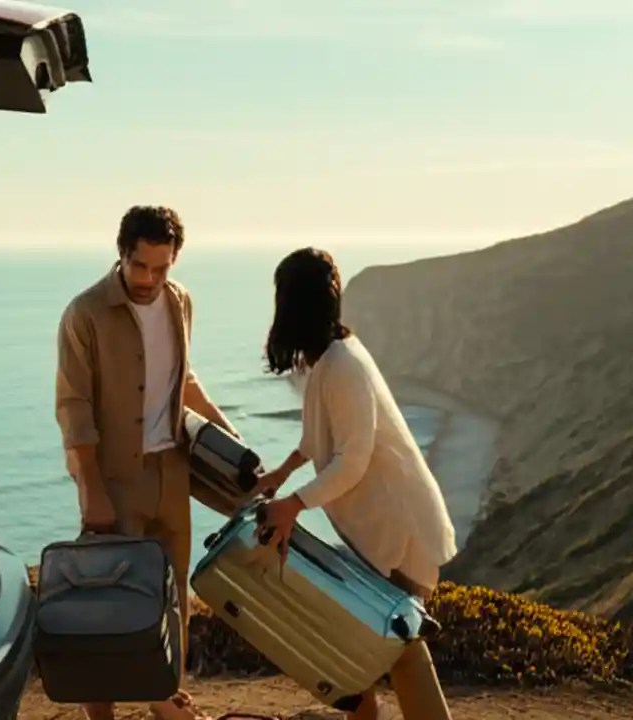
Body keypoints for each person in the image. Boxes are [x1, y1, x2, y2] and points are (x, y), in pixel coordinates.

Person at [252, 248, 458, 720]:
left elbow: (353, 460)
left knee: (399, 644)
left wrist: (294, 505)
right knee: (359, 642)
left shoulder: (343, 365)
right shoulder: (329, 358)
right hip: (378, 525)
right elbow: (318, 436)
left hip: (400, 526)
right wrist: (281, 474)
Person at [54, 205, 240, 720]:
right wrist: (89, 488)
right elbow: (73, 407)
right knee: (105, 606)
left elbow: (186, 382)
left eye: (162, 268)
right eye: (141, 267)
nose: (150, 279)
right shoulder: (85, 313)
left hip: (171, 472)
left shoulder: (180, 303)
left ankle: (166, 703)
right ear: (122, 256)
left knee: (171, 601)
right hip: (113, 479)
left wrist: (232, 440)